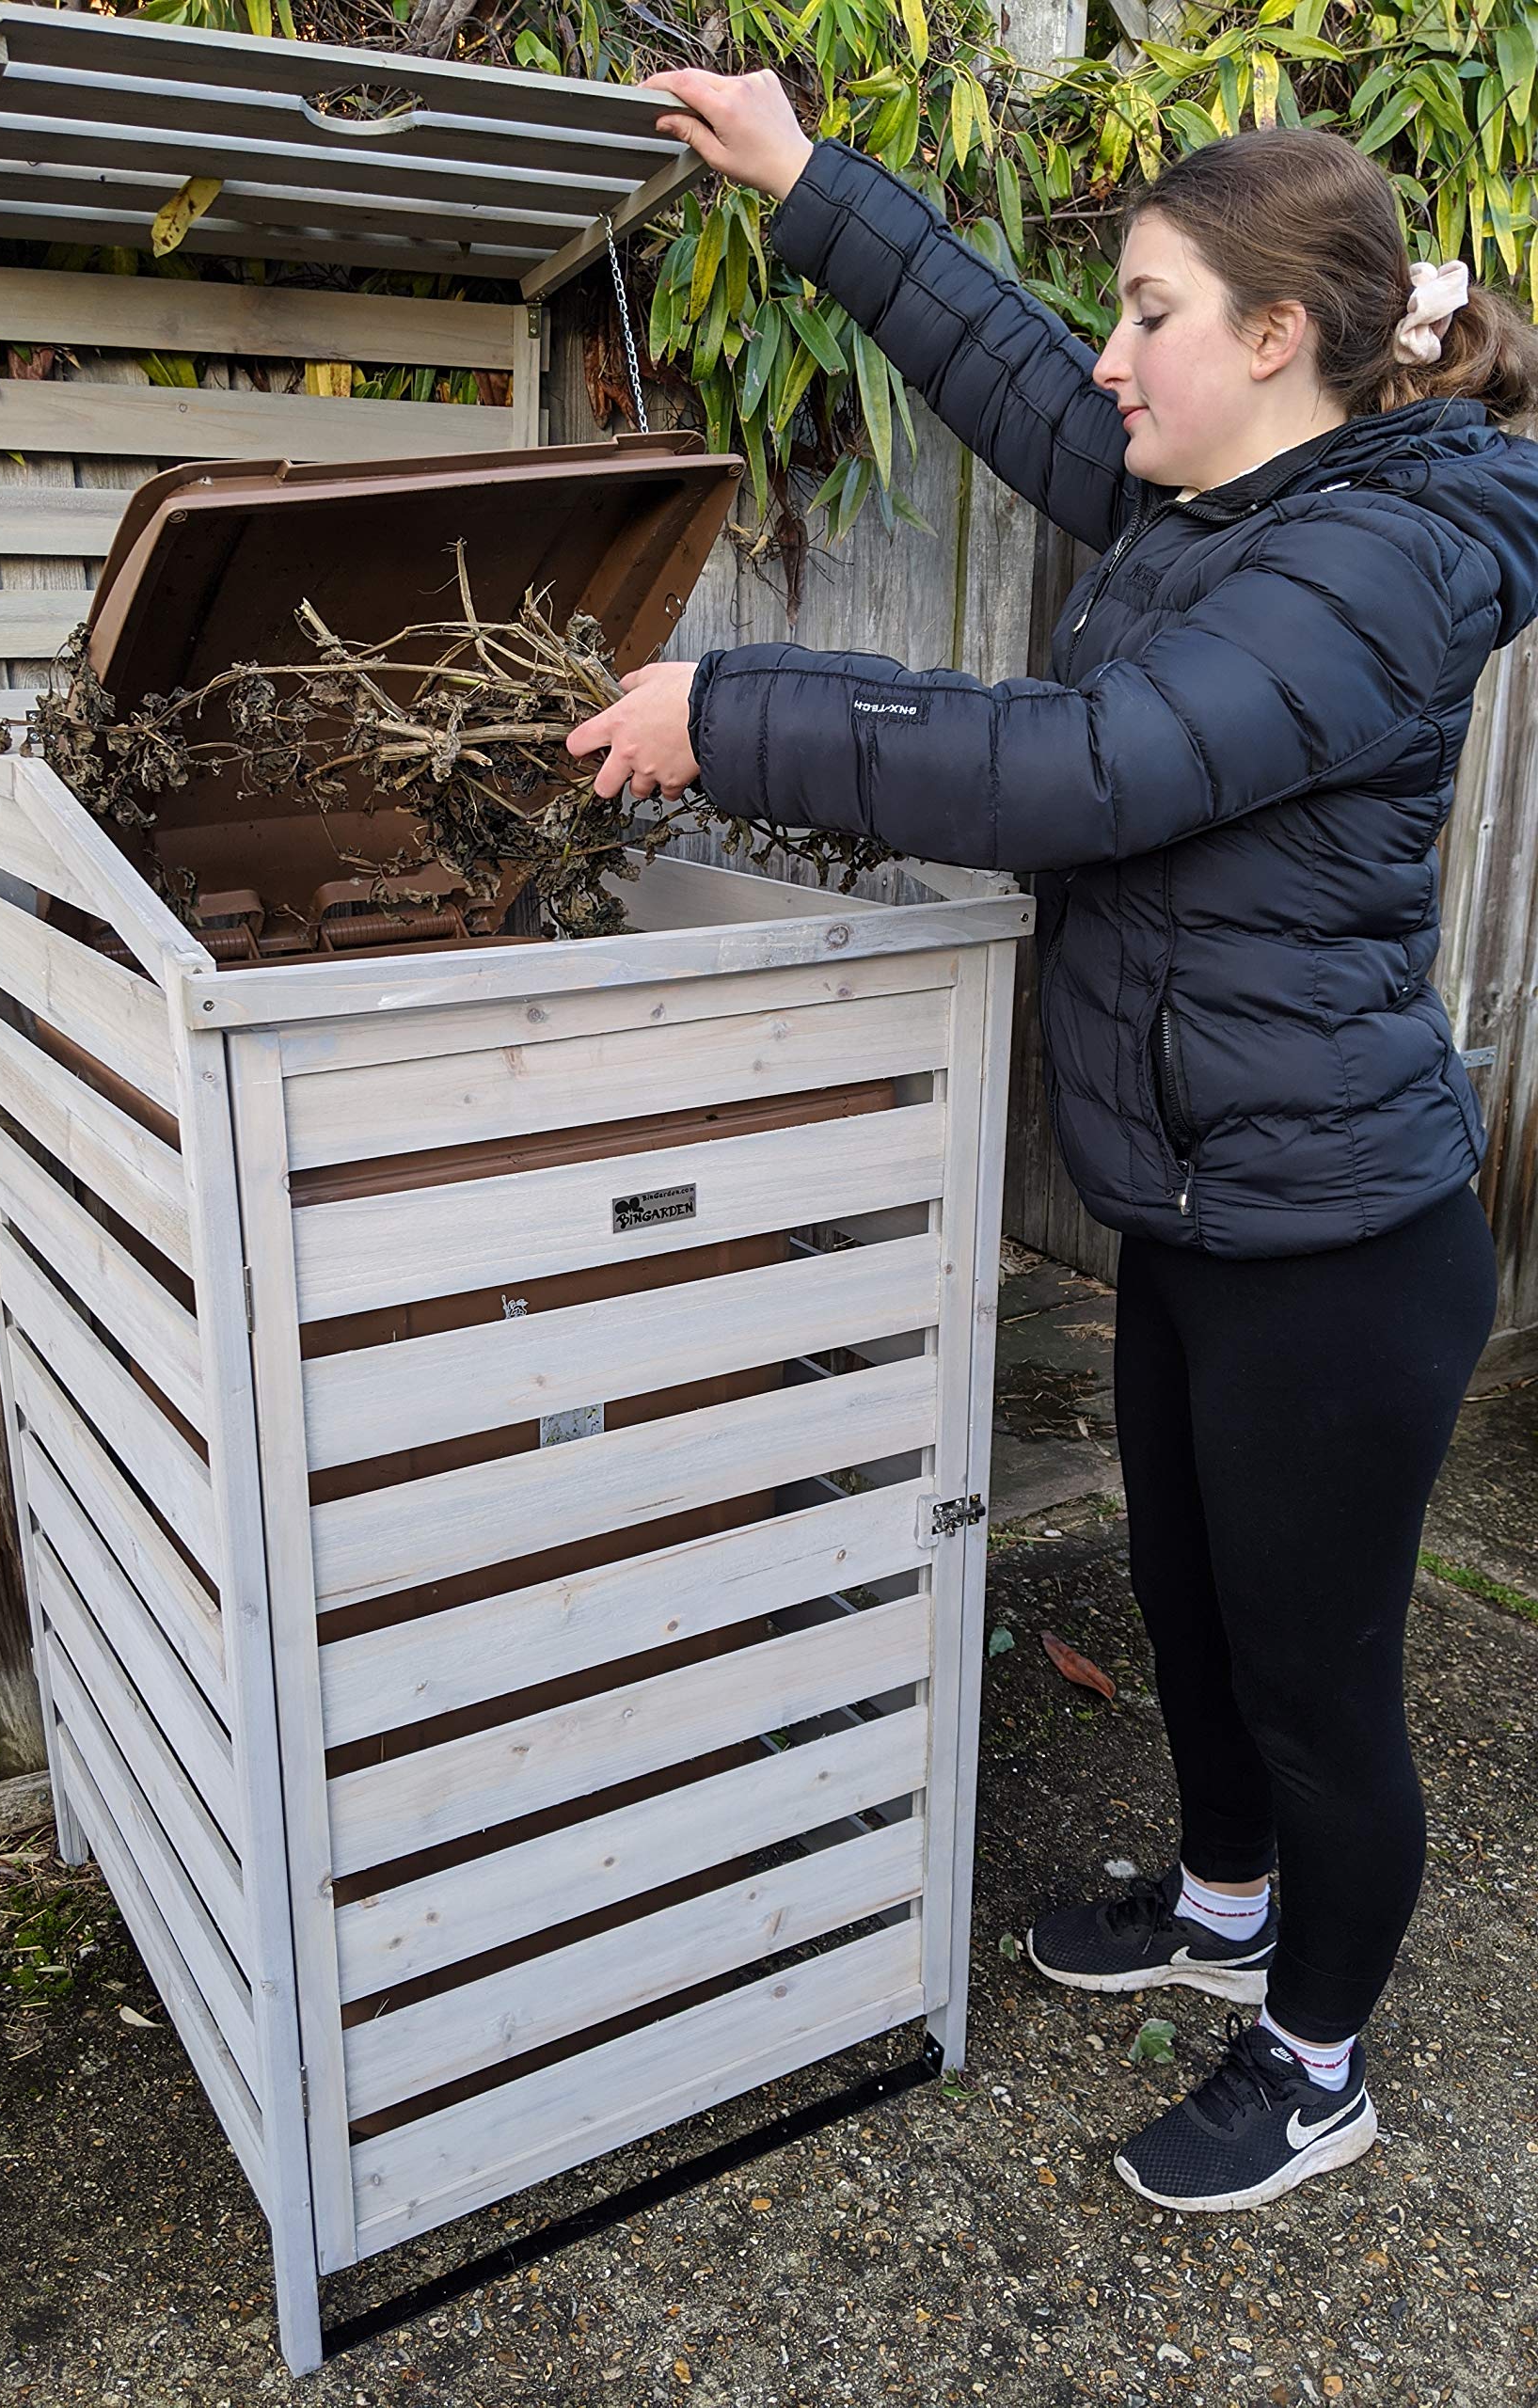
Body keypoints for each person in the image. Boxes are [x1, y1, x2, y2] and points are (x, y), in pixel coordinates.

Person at [565, 69, 1538, 2213]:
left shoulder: (1376, 561)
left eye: (1152, 310)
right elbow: (1017, 369)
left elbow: (1095, 763)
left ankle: (1317, 2057)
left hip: (1341, 1242)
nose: (1111, 354)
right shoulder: (1233, 493)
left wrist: (732, 710)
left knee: (1317, 1681)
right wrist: (809, 177)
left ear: (1277, 336)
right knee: (1191, 1607)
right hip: (1205, 1200)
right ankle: (1219, 1900)